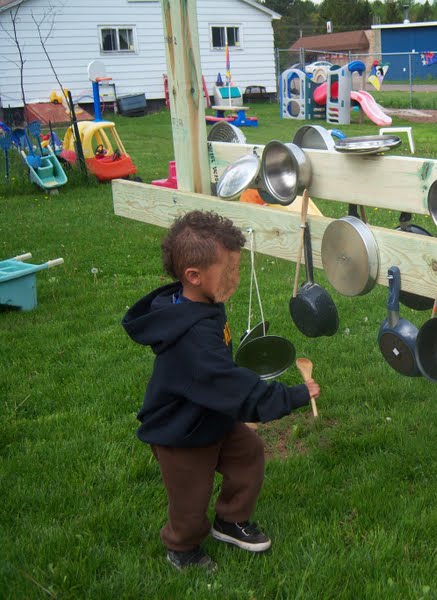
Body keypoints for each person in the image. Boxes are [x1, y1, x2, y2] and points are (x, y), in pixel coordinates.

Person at [122, 210, 320, 571]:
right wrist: (293, 396)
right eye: (227, 271)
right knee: (190, 498)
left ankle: (230, 521)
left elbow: (221, 375)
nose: (235, 278)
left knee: (248, 456)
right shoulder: (192, 341)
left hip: (212, 412)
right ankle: (181, 547)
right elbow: (236, 390)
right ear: (193, 276)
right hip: (180, 432)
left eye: (237, 269)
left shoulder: (200, 303)